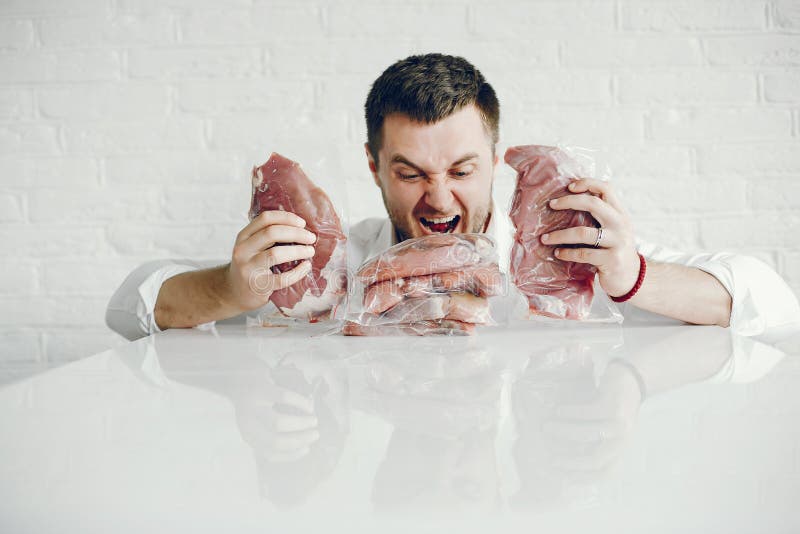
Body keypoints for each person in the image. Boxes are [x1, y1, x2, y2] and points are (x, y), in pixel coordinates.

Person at [106, 53, 800, 341]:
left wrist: (632, 277)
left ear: (496, 161)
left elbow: (774, 301)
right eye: (410, 172)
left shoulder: (566, 263)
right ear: (373, 166)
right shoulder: (335, 267)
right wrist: (231, 289)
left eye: (462, 169)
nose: (439, 196)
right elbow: (130, 306)